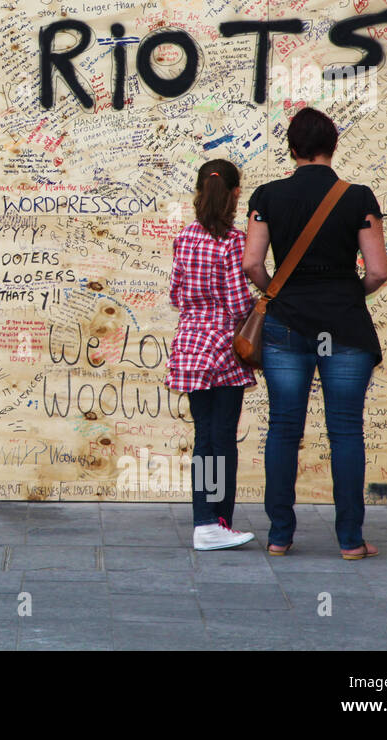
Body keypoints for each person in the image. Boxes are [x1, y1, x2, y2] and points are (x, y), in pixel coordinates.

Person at [242, 107, 387, 560]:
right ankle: (349, 540)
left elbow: (251, 264)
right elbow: (379, 271)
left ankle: (280, 536)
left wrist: (278, 294)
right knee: (346, 431)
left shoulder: (268, 195)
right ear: (334, 146)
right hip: (345, 326)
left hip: (287, 326)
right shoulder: (358, 196)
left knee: (284, 428)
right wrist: (348, 294)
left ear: (292, 148)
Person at [167, 158, 258, 551]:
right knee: (224, 439)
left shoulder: (185, 237)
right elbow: (240, 305)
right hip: (224, 351)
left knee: (204, 436)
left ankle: (205, 519)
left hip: (190, 346)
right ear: (235, 194)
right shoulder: (236, 242)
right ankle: (218, 522)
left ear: (200, 192)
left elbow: (176, 295)